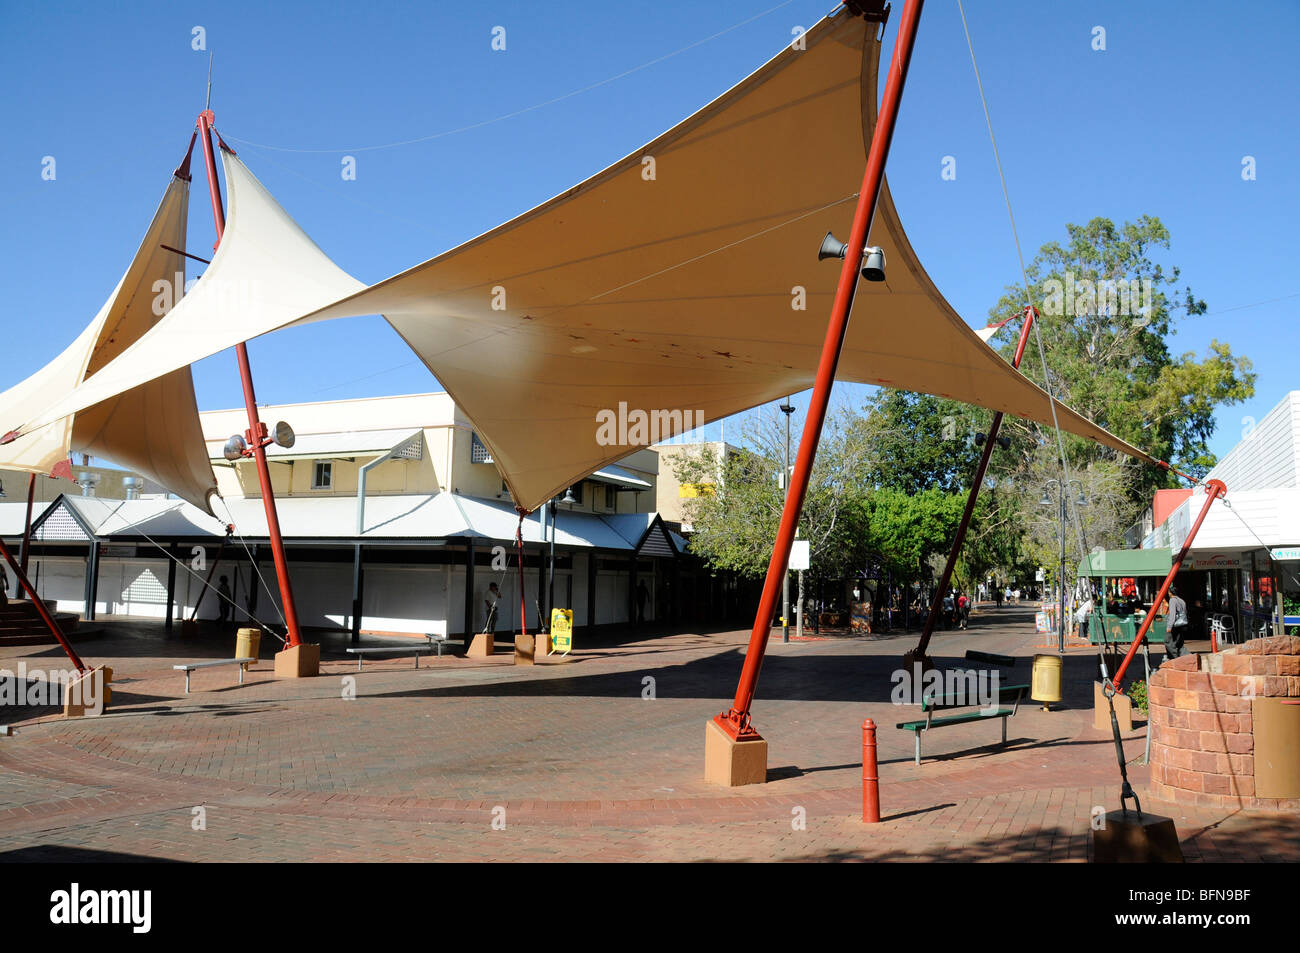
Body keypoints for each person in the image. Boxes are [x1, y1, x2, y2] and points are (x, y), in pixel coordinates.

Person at [1166, 586, 1189, 660]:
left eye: (1168, 592)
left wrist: (1169, 626)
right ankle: (1186, 657)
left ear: (1170, 592)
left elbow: (1172, 614)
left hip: (1175, 625)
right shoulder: (1182, 600)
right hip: (1182, 624)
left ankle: (1174, 658)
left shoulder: (1172, 600)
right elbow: (1185, 612)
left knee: (1168, 641)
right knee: (1179, 643)